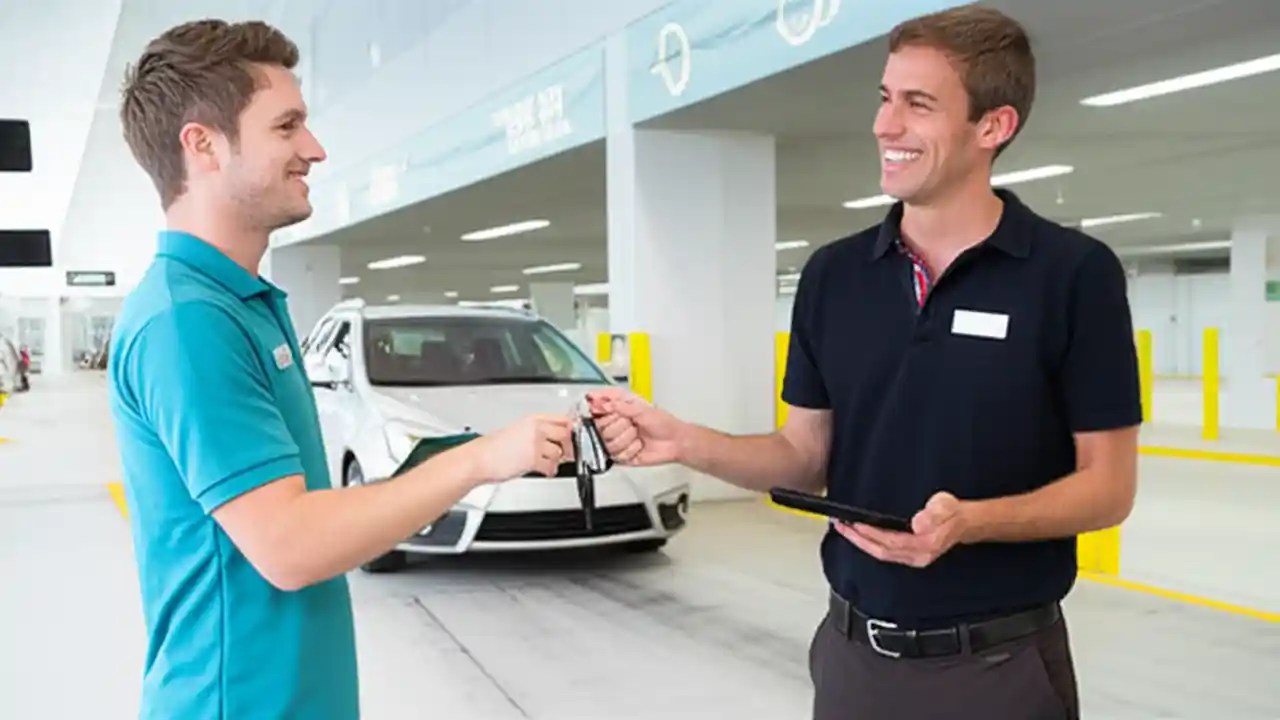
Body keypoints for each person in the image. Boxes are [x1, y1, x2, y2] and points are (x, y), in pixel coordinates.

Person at [588, 6, 1140, 720]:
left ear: (992, 127)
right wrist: (684, 441)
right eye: (885, 98)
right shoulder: (833, 276)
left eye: (918, 104)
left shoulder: (1073, 275)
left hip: (1001, 669)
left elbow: (1109, 488)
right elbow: (803, 453)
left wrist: (970, 522)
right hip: (852, 663)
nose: (885, 126)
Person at [107, 20, 575, 719]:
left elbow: (307, 506)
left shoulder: (242, 304)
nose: (315, 149)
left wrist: (496, 447)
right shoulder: (187, 321)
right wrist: (477, 462)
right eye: (287, 126)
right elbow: (289, 544)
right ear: (201, 144)